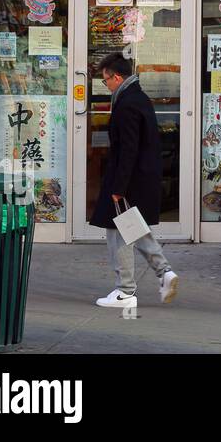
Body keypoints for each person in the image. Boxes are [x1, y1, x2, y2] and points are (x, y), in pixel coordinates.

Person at [91, 54, 178, 310]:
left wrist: (119, 187)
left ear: (116, 77)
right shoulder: (137, 97)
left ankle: (125, 291)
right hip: (139, 176)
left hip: (129, 178)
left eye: (105, 80)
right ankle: (165, 273)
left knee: (118, 233)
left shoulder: (127, 103)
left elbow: (129, 148)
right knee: (133, 228)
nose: (105, 85)